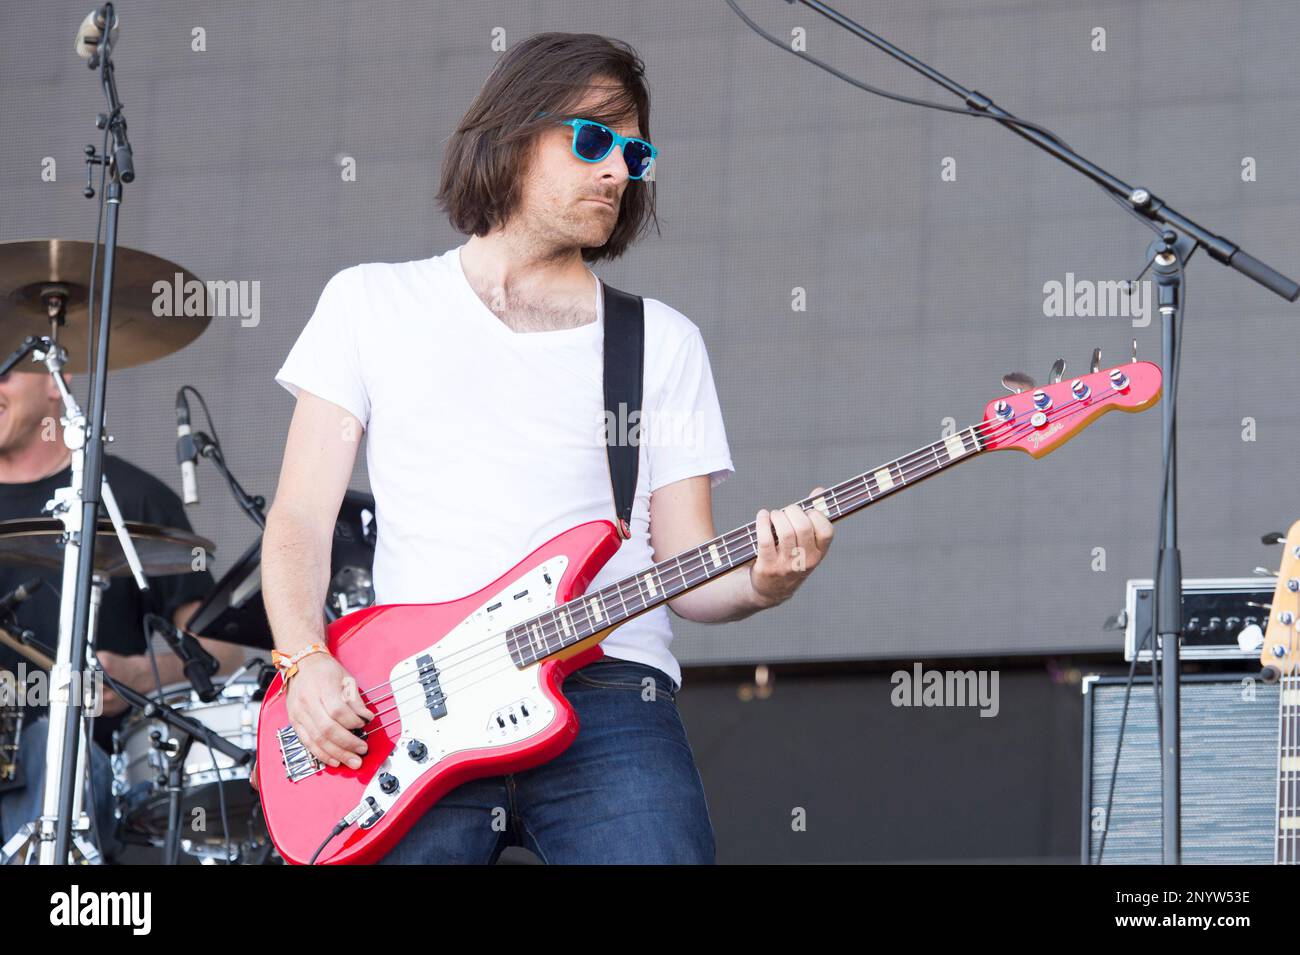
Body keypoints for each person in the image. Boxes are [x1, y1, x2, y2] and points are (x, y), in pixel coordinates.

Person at [264, 32, 834, 864]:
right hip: (410, 699)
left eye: (633, 151)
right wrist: (304, 661)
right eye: (592, 138)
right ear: (511, 132)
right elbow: (301, 522)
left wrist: (764, 581)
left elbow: (688, 572)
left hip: (609, 688)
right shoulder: (370, 304)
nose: (616, 171)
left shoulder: (659, 343)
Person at [0, 362, 244, 854]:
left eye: (3, 372)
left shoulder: (129, 499)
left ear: (55, 382)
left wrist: (136, 675)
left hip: (84, 764)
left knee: (55, 744)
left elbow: (224, 651)